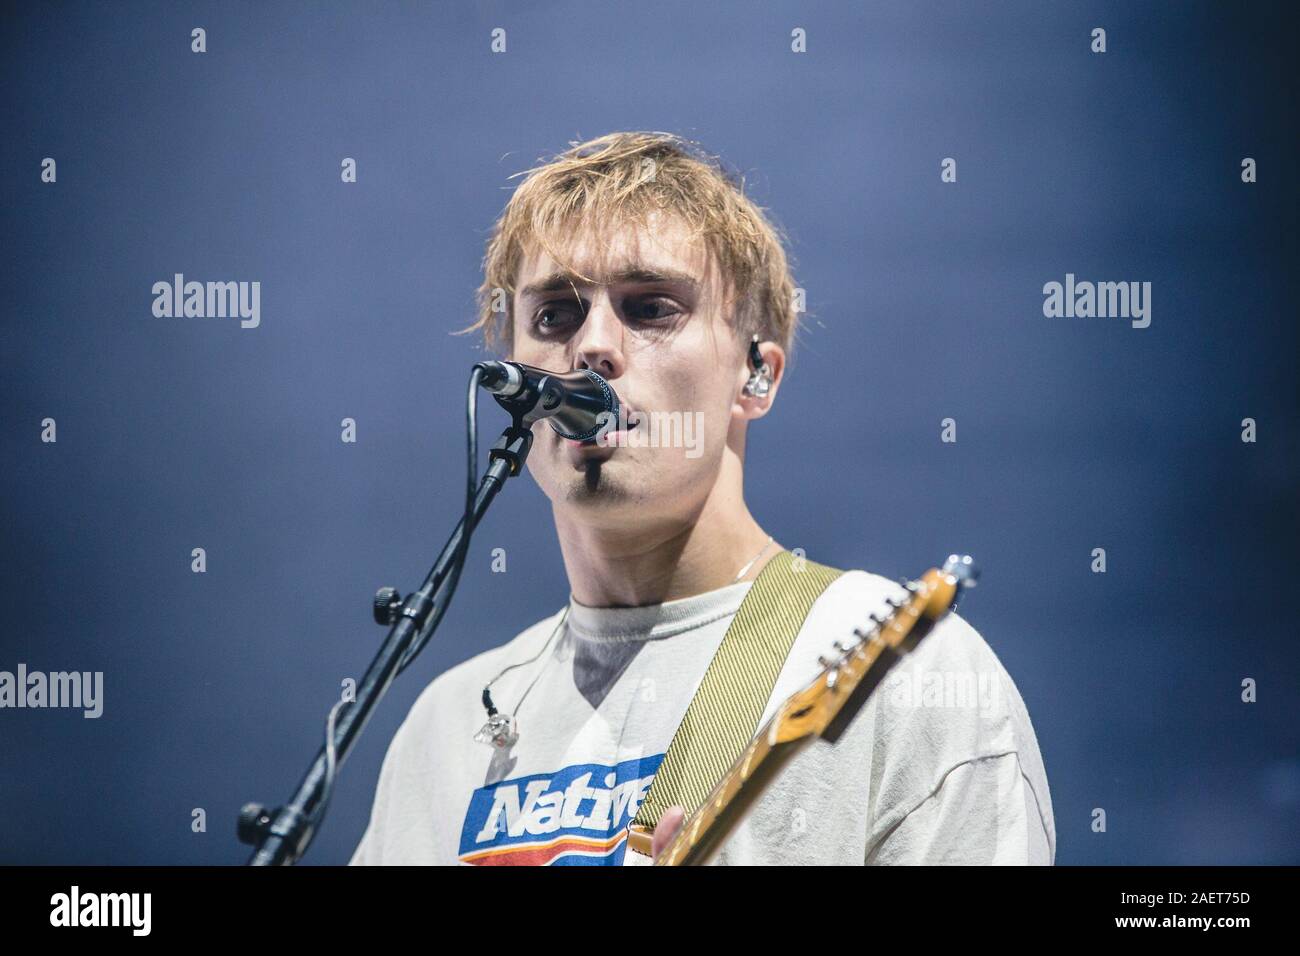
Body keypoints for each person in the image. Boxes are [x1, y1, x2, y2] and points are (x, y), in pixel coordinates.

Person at [349, 131, 1055, 865]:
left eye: (649, 307)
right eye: (555, 314)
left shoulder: (903, 669)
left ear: (757, 376)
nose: (593, 346)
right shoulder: (448, 726)